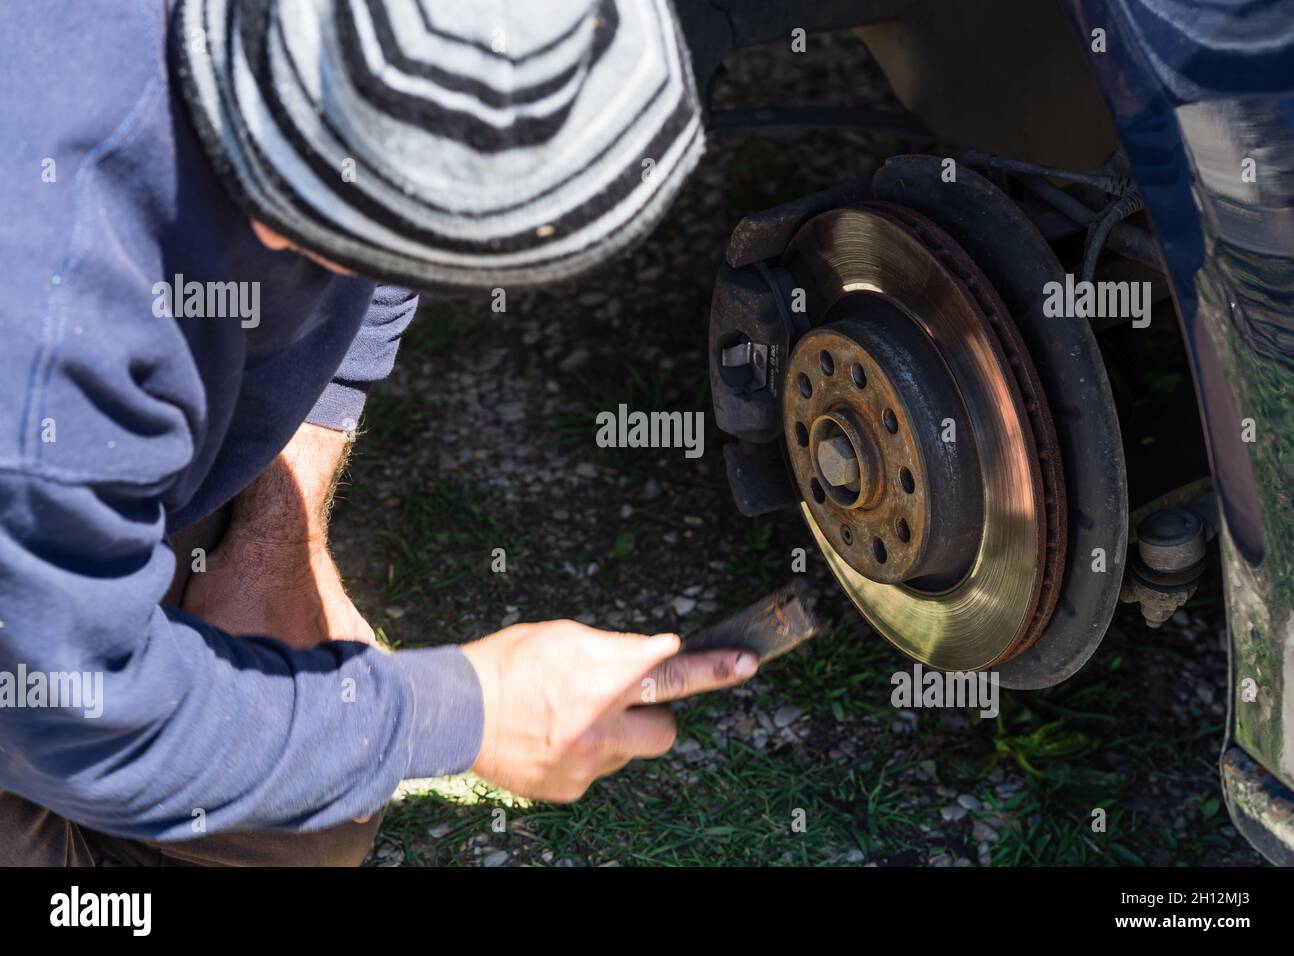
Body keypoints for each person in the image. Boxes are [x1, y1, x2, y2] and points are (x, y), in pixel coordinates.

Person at [0, 0, 756, 866]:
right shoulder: (50, 335)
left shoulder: (345, 68)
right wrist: (467, 711)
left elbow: (386, 261)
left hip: (71, 507)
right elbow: (78, 716)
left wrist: (273, 544)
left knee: (311, 823)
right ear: (279, 210)